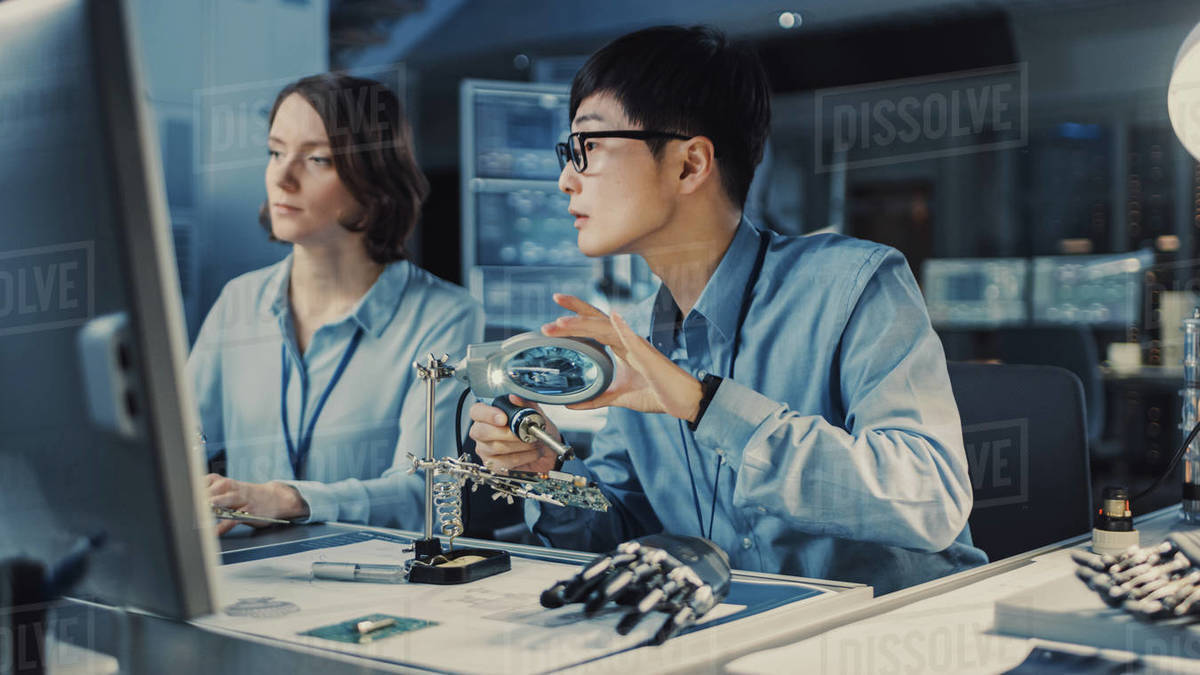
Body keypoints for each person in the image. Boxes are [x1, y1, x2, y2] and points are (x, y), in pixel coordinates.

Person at [469, 26, 987, 593]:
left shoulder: (852, 284)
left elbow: (931, 500)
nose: (565, 179)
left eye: (589, 148)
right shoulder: (641, 336)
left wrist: (704, 405)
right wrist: (548, 472)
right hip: (738, 639)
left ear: (690, 165)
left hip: (893, 636)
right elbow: (621, 530)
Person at [188, 74, 482, 534]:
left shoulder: (445, 316)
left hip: (371, 587)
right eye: (275, 152)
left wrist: (284, 499)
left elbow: (425, 495)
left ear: (374, 181)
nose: (283, 177)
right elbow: (177, 447)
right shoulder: (239, 301)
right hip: (247, 579)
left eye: (317, 158)